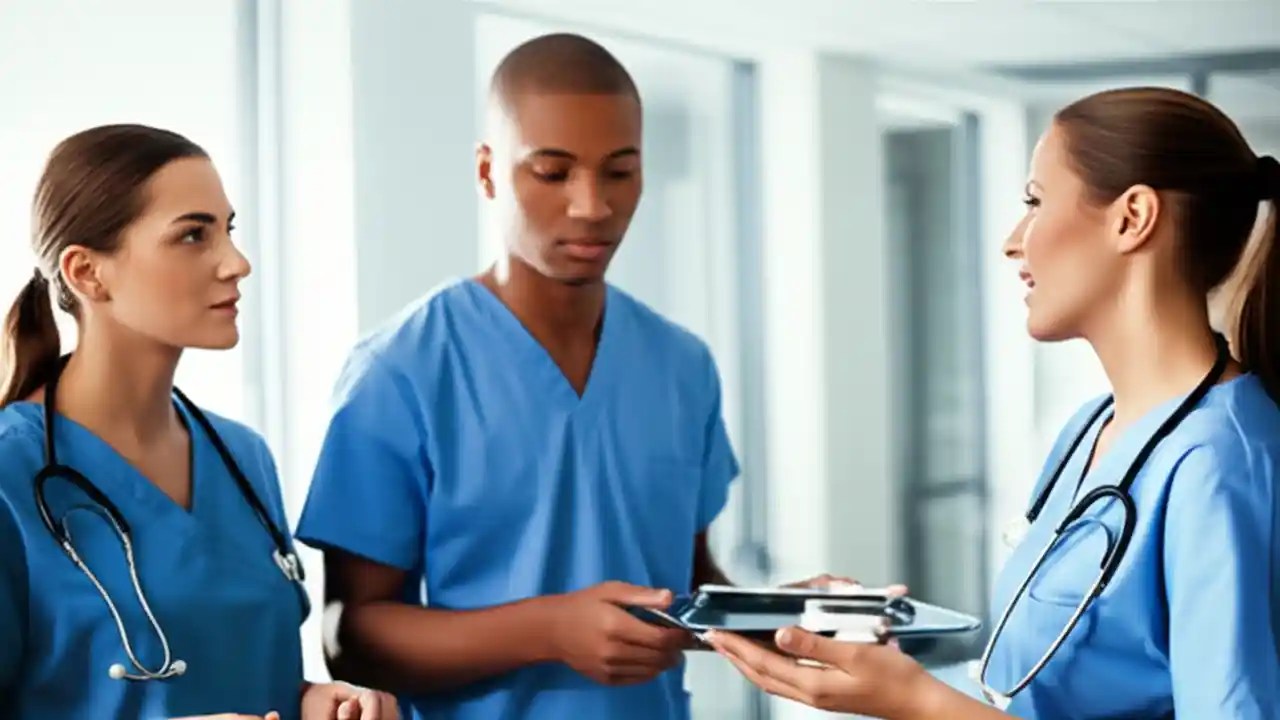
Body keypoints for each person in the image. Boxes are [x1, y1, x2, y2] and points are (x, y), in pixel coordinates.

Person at [293, 32, 840, 720]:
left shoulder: (681, 365)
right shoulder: (399, 371)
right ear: (489, 173)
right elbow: (352, 637)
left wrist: (780, 614)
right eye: (553, 173)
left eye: (619, 171)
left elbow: (684, 585)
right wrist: (548, 630)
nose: (592, 206)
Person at [706, 86, 1280, 719]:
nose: (1013, 241)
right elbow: (1024, 689)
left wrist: (912, 699)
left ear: (1132, 217)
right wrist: (871, 659)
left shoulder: (1222, 463)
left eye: (1035, 202)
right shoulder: (1090, 429)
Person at [0, 124, 395, 720]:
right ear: (86, 273)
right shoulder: (11, 472)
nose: (237, 263)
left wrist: (312, 701)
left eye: (227, 230)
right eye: (192, 236)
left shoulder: (244, 458)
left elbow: (233, 668)